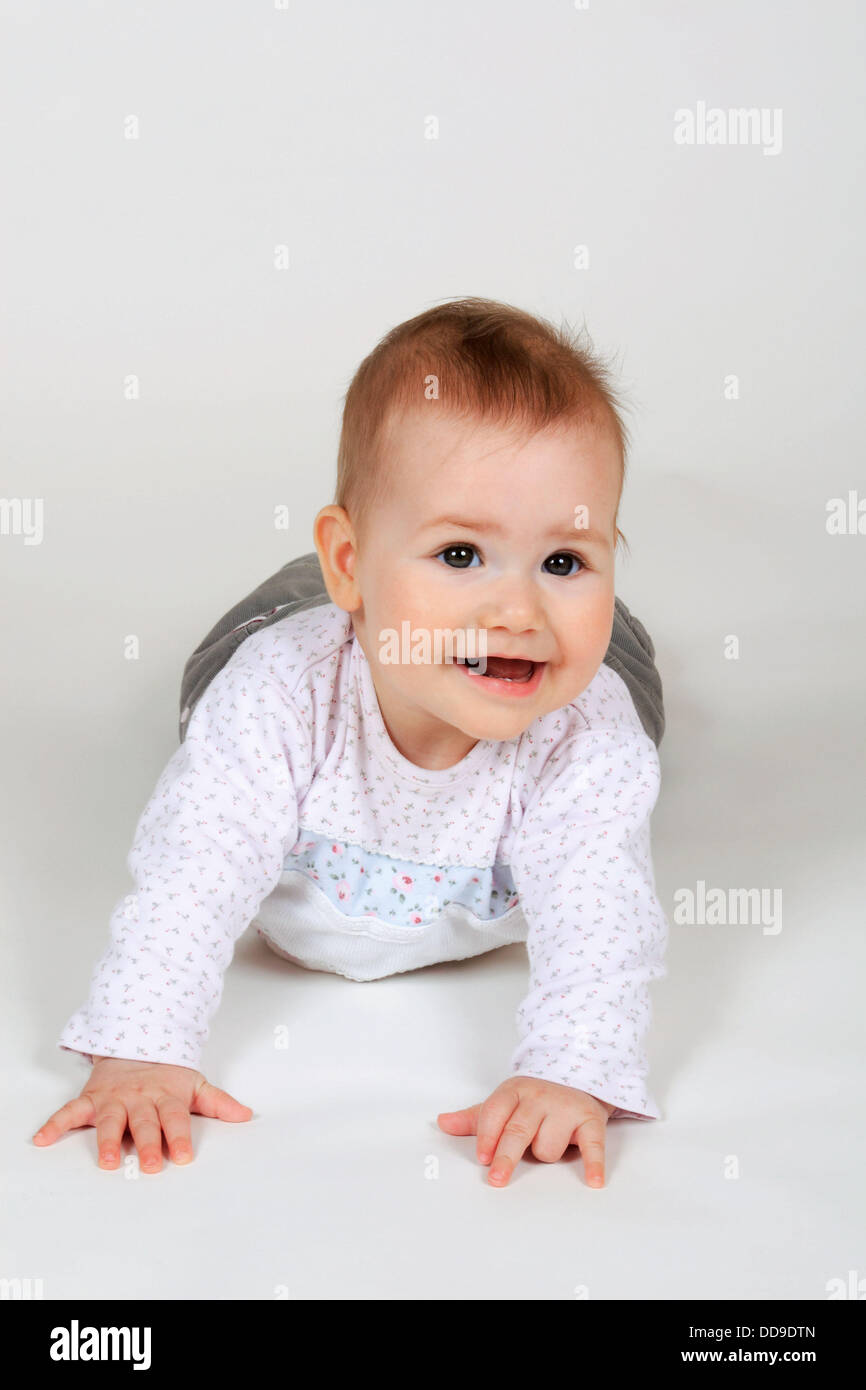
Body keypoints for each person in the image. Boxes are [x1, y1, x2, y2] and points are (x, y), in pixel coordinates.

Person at [34, 297, 669, 1189]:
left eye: (564, 561)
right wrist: (142, 1045)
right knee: (258, 662)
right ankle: (374, 580)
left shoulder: (584, 738)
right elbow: (196, 868)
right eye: (460, 554)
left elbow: (605, 920)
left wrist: (571, 1068)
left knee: (616, 667)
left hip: (534, 674)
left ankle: (515, 577)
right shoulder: (279, 698)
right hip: (301, 634)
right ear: (348, 560)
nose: (518, 609)